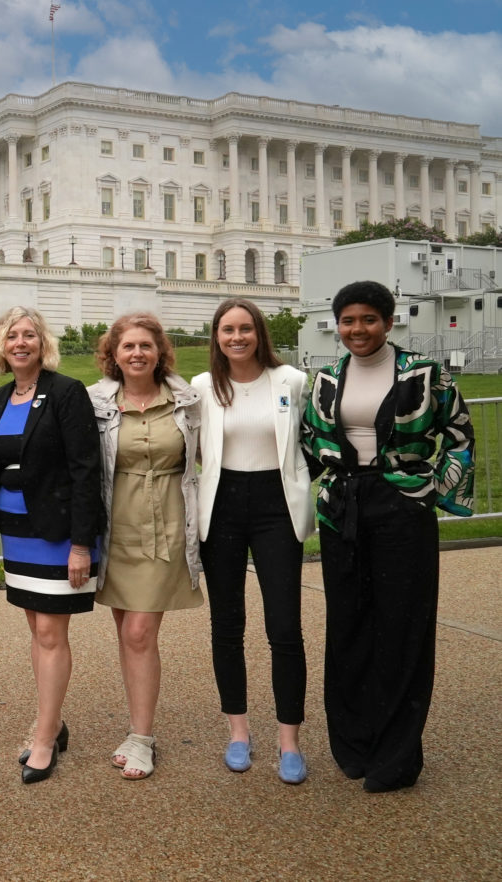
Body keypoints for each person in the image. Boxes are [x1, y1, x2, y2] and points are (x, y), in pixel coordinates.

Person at [302, 281, 473, 792]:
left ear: (389, 321)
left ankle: (397, 756)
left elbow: (460, 434)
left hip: (402, 506)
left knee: (402, 627)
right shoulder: (326, 378)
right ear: (338, 325)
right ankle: (353, 744)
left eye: (369, 319)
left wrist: (430, 491)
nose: (358, 329)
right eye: (348, 320)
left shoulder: (425, 372)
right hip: (343, 509)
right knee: (349, 624)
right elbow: (310, 441)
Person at [0, 308, 102, 784]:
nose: (21, 342)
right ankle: (54, 719)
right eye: (13, 336)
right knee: (38, 631)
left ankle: (45, 735)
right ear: (1, 346)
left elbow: (87, 470)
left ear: (42, 343)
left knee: (51, 634)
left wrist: (81, 545)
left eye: (29, 335)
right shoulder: (2, 395)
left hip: (57, 536)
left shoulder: (66, 393)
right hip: (17, 535)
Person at [190, 299, 314, 785]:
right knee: (228, 625)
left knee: (284, 626)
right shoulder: (202, 388)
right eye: (227, 330)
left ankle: (290, 741)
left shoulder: (292, 382)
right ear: (216, 337)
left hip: (275, 507)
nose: (237, 337)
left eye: (245, 329)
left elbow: (310, 444)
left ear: (259, 333)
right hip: (222, 506)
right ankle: (238, 732)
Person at [86, 313, 202, 780]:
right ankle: (137, 722)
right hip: (115, 523)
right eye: (127, 346)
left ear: (160, 352)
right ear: (113, 354)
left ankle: (142, 738)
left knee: (139, 634)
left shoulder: (188, 400)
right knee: (127, 633)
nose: (137, 354)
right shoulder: (95, 400)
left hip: (167, 520)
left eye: (145, 346)